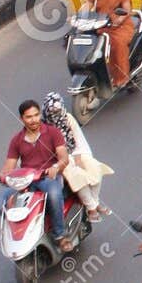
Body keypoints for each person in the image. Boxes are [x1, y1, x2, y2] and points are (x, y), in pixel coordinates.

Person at [0, 99, 73, 254]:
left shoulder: (53, 132)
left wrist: (56, 167)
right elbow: (9, 167)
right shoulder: (16, 140)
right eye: (29, 117)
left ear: (40, 114)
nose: (34, 119)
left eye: (36, 115)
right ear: (22, 119)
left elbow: (64, 157)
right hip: (26, 180)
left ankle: (60, 235)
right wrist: (0, 176)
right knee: (1, 202)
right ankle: (20, 234)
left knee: (54, 194)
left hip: (47, 177)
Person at [41, 91, 112, 222]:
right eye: (52, 112)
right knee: (76, 175)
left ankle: (94, 202)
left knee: (94, 167)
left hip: (75, 152)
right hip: (58, 160)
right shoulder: (42, 128)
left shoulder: (68, 119)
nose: (55, 116)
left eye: (57, 112)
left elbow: (78, 139)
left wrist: (79, 158)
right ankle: (91, 208)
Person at [87, 0, 135, 90]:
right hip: (101, 26)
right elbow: (87, 6)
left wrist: (118, 20)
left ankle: (121, 78)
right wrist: (76, 17)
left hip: (120, 27)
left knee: (117, 43)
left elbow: (127, 9)